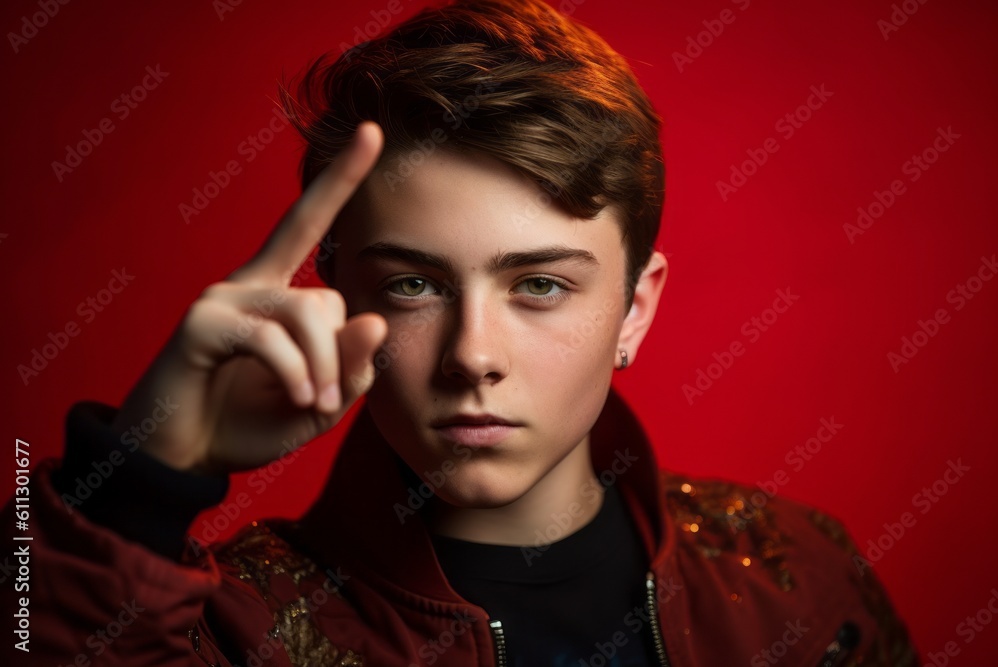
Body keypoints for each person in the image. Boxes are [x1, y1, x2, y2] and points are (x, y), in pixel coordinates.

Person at [2, 0, 918, 665]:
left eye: (541, 285)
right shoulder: (228, 628)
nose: (473, 355)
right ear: (338, 295)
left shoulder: (796, 573)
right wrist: (135, 481)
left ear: (635, 308)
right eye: (414, 283)